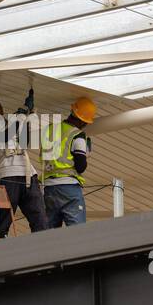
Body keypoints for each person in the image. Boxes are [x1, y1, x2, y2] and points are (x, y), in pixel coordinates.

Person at [0, 89, 49, 239]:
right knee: (1, 223)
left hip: (28, 174)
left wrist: (26, 119)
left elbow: (24, 142)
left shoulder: (10, 122)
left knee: (41, 221)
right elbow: (5, 136)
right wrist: (21, 116)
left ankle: (43, 250)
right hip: (7, 177)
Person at [42, 96, 96, 227]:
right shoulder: (78, 135)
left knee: (48, 235)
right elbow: (81, 166)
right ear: (84, 121)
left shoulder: (50, 129)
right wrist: (86, 154)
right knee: (77, 234)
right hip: (69, 188)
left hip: (49, 188)